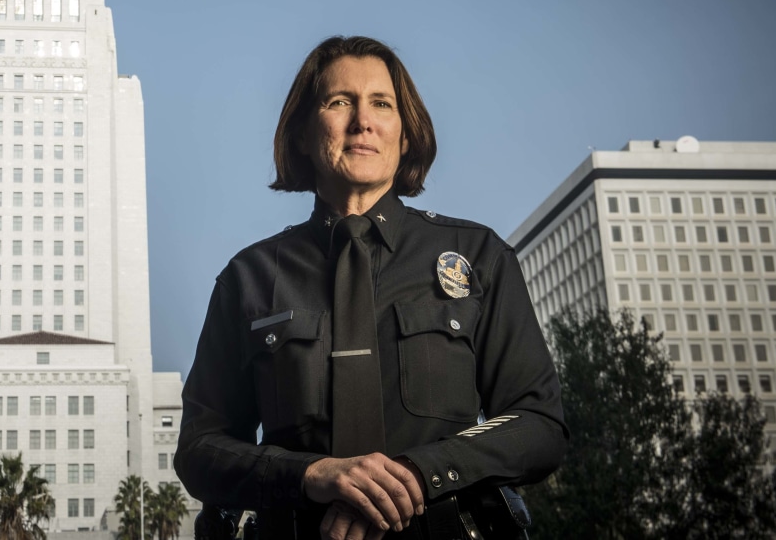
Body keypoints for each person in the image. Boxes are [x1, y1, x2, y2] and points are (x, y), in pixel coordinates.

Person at [174, 36, 567, 540]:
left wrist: (414, 476)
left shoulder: (480, 257)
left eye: (382, 103)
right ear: (301, 134)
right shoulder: (247, 277)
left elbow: (538, 424)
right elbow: (200, 448)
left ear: (405, 134)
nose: (362, 120)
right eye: (340, 102)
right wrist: (312, 476)